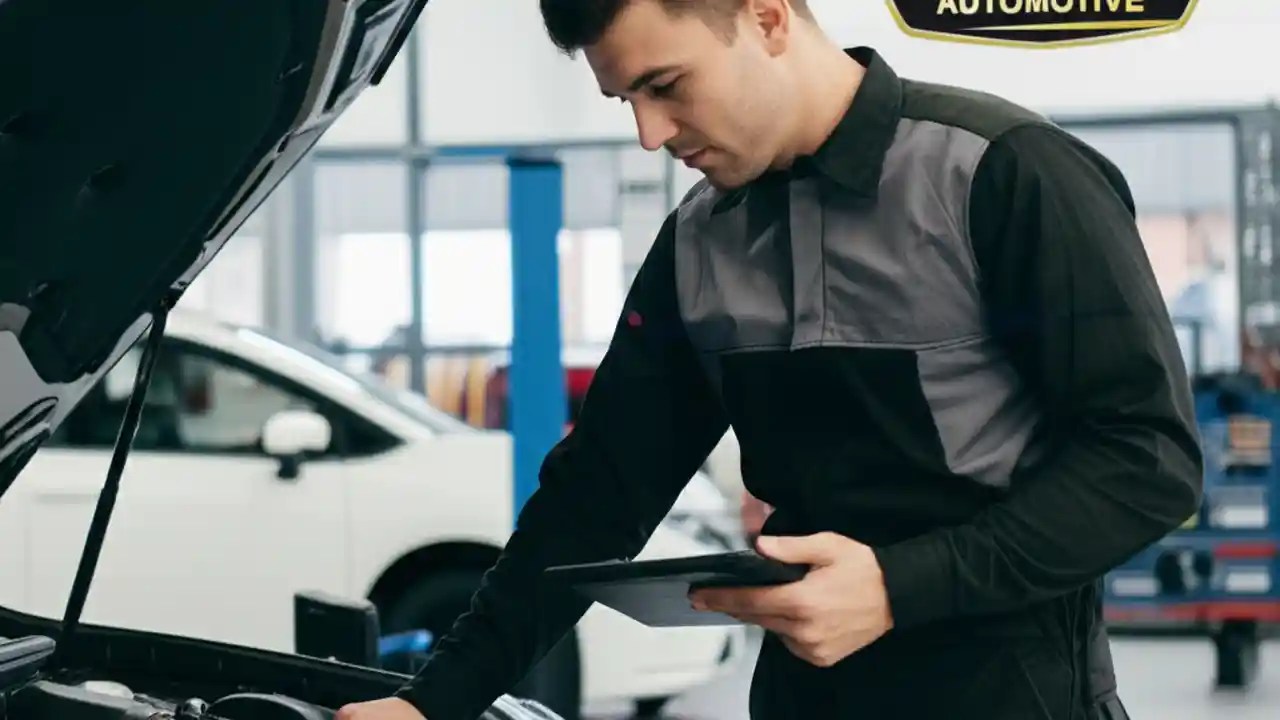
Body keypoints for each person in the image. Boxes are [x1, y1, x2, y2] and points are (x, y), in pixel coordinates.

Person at [336, 1, 1204, 718]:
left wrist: (898, 587)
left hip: (1015, 698)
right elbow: (598, 491)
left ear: (767, 16)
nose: (649, 134)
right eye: (624, 100)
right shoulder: (697, 240)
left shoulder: (1001, 172)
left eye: (665, 85)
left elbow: (1148, 461)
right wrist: (434, 702)